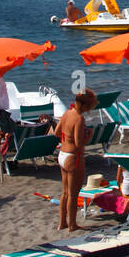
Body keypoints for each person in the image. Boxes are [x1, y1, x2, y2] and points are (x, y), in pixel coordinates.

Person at [52, 89, 97, 231]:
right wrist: (89, 136)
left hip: (62, 154)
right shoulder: (79, 118)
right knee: (73, 193)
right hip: (74, 156)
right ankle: (72, 224)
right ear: (85, 106)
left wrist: (68, 136)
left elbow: (56, 132)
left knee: (65, 192)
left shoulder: (67, 113)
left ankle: (62, 223)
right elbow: (79, 143)